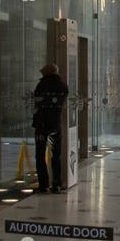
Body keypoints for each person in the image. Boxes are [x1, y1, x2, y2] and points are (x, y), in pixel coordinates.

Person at [31, 62, 69, 192]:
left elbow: (36, 101)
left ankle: (43, 185)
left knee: (40, 155)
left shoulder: (42, 84)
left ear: (48, 72)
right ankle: (56, 184)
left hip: (41, 124)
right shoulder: (63, 86)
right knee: (55, 155)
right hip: (55, 124)